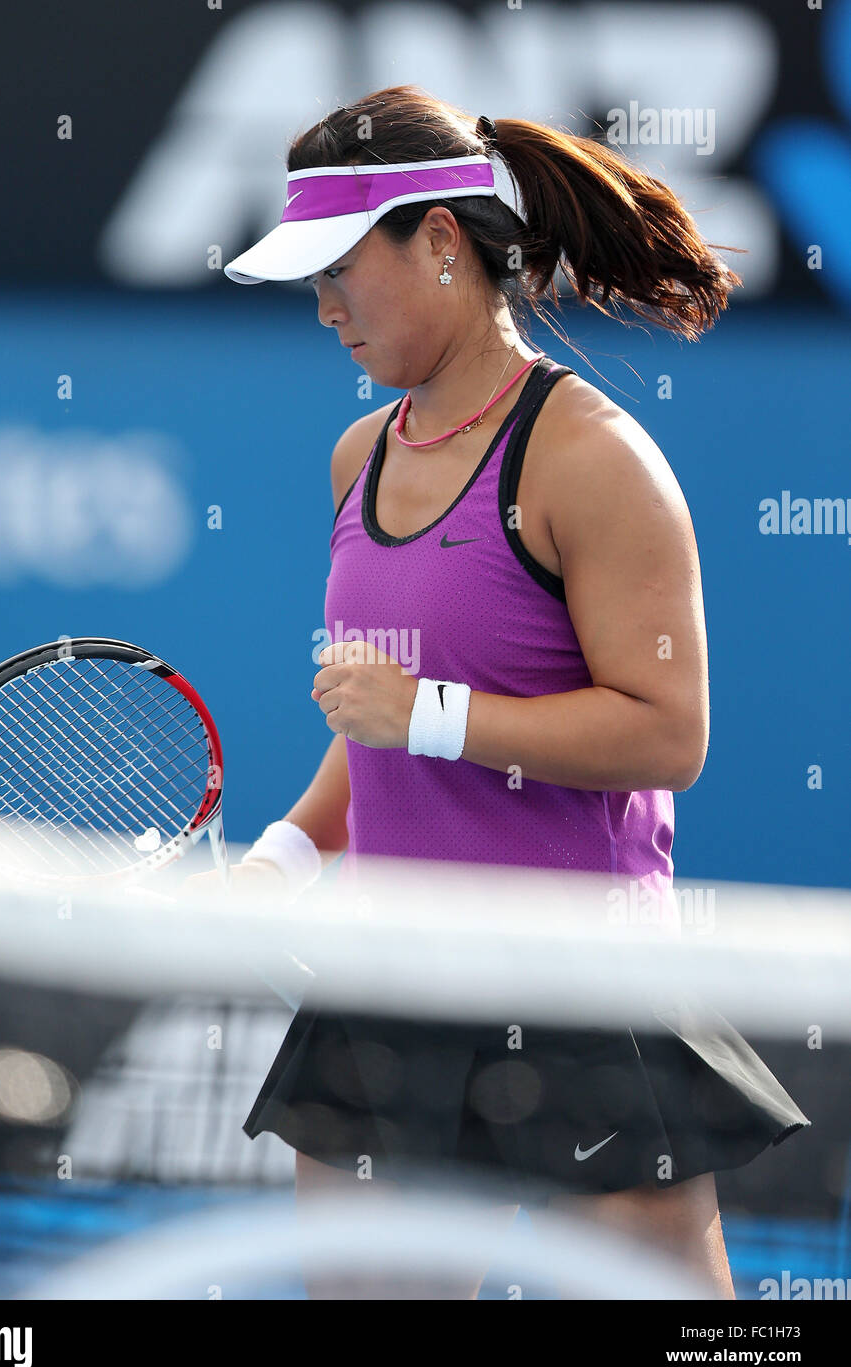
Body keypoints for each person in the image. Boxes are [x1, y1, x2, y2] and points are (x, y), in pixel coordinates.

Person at [198, 84, 810, 1300]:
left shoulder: (594, 459)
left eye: (338, 271)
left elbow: (667, 732)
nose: (321, 309)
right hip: (393, 981)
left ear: (436, 244)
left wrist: (428, 713)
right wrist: (287, 853)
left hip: (584, 979)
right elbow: (371, 725)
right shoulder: (357, 456)